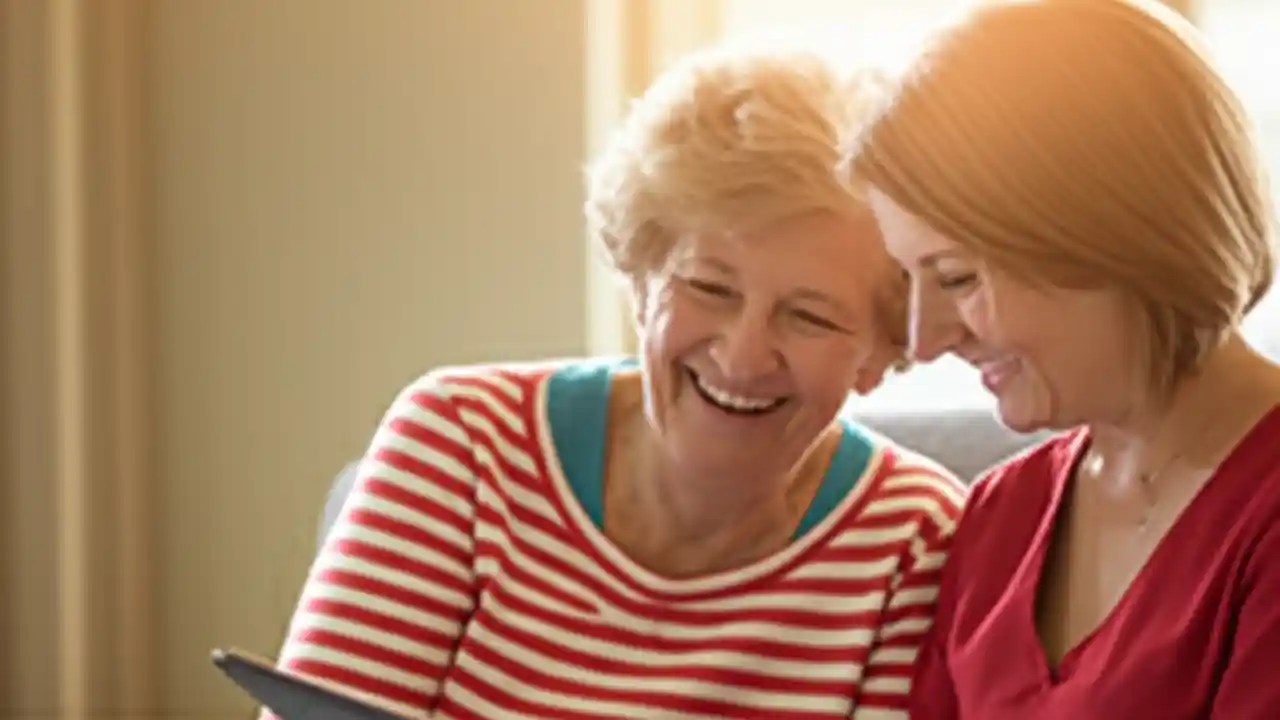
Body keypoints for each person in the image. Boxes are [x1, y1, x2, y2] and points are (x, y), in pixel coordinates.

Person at [261, 46, 965, 719]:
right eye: (707, 287)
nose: (743, 356)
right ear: (642, 282)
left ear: (882, 350)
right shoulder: (463, 442)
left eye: (809, 317)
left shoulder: (915, 538)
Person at [846, 0, 1280, 717]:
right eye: (907, 279)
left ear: (1111, 233)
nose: (924, 339)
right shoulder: (1000, 516)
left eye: (958, 278)